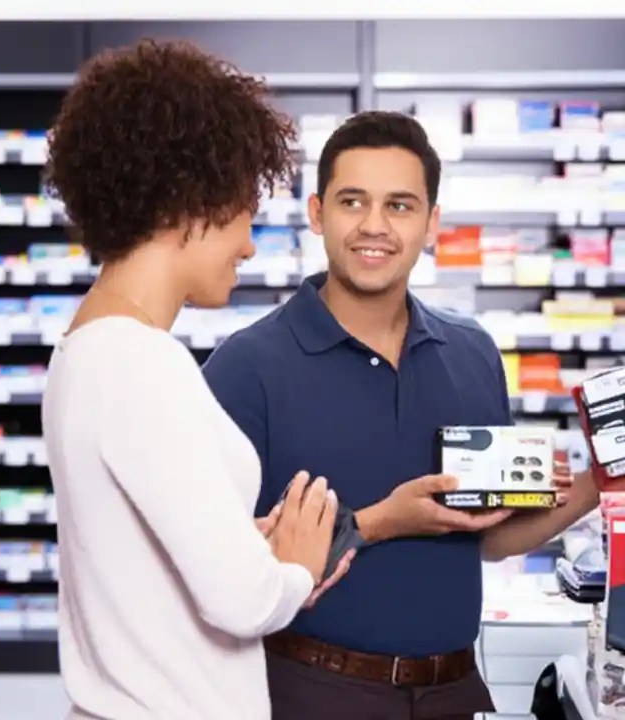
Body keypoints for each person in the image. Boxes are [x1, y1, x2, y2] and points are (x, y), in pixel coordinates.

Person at [203, 111, 602, 719]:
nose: (374, 226)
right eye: (352, 201)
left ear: (432, 223)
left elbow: (491, 537)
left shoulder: (471, 353)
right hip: (310, 691)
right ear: (317, 213)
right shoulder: (246, 366)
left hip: (457, 690)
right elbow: (214, 567)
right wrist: (382, 521)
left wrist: (607, 480)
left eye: (399, 205)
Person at [40, 41, 353, 720]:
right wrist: (293, 572)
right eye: (244, 208)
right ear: (190, 198)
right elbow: (242, 602)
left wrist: (250, 548)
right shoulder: (139, 363)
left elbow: (147, 565)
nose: (249, 243)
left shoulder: (84, 349)